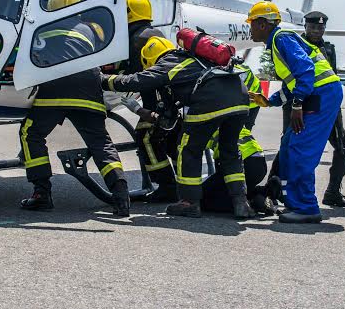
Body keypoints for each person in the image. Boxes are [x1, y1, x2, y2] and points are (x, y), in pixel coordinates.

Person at [102, 36, 252, 220]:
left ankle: (189, 202)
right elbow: (169, 114)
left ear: (150, 60)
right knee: (230, 150)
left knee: (189, 150)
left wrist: (103, 79)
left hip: (211, 101)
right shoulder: (197, 59)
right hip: (240, 98)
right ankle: (240, 202)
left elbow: (136, 81)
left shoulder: (169, 62)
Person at [19, 14, 130, 217]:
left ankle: (41, 193)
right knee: (101, 143)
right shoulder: (88, 28)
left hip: (57, 86)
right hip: (90, 86)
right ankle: (121, 196)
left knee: (31, 134)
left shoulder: (43, 22)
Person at [246, 1, 343, 224]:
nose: (250, 28)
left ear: (262, 24)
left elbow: (306, 71)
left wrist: (297, 106)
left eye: (252, 23)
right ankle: (293, 201)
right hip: (316, 93)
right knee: (289, 145)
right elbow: (292, 83)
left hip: (321, 94)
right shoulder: (277, 42)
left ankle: (307, 207)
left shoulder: (282, 39)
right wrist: (269, 101)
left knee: (301, 149)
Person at [110, 0, 177, 202]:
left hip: (157, 102)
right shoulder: (154, 32)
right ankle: (178, 183)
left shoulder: (136, 38)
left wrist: (108, 77)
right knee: (169, 139)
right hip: (167, 100)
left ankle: (167, 186)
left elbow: (137, 75)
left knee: (146, 137)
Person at [201, 62, 275, 215]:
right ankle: (261, 191)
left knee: (202, 199)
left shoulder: (201, 119)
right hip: (259, 162)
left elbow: (191, 155)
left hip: (244, 163)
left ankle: (254, 200)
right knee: (227, 184)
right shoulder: (232, 118)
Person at [301, 10, 345, 208]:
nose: (317, 30)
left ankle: (333, 191)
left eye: (320, 27)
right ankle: (279, 189)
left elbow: (331, 80)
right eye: (313, 27)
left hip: (327, 107)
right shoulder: (297, 46)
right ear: (305, 27)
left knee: (343, 145)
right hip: (302, 106)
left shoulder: (328, 49)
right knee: (291, 148)